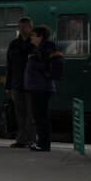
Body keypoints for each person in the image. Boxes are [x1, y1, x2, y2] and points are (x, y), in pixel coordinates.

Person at [23, 24, 63, 152]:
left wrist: (35, 61)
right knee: (40, 116)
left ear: (40, 37)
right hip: (39, 86)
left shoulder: (44, 49)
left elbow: (47, 65)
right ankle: (42, 143)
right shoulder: (40, 49)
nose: (31, 38)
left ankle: (43, 144)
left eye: (33, 36)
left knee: (41, 117)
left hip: (41, 87)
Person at [5, 16, 34, 147]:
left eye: (25, 27)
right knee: (19, 114)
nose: (22, 29)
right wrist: (8, 85)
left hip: (31, 84)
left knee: (31, 114)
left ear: (30, 27)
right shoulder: (13, 44)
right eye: (20, 27)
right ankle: (21, 139)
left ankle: (31, 139)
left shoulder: (34, 44)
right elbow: (9, 66)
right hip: (17, 83)